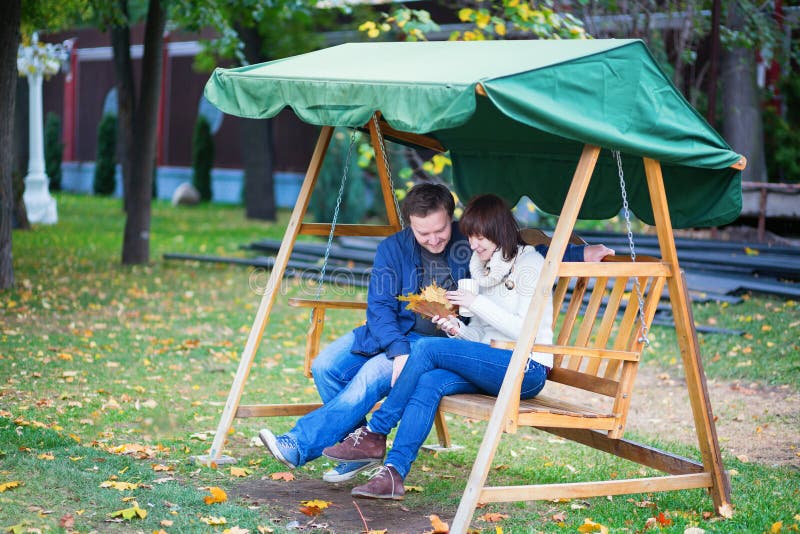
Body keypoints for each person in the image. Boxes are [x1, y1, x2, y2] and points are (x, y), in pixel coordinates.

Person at [259, 185, 612, 483]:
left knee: (369, 377)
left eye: (439, 230)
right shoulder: (392, 250)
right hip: (391, 334)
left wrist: (582, 251)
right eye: (422, 233)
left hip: (440, 343)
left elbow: (520, 248)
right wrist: (397, 350)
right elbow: (379, 308)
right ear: (410, 224)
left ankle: (300, 444)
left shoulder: (469, 240)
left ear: (451, 218)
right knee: (324, 366)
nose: (432, 239)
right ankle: (356, 446)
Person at [322, 194, 565, 500]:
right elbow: (480, 335)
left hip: (527, 367)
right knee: (429, 380)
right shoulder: (483, 268)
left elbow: (524, 330)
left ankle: (375, 433)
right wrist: (457, 329)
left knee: (427, 349)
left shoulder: (530, 263)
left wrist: (476, 303)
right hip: (492, 364)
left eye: (479, 237)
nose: (473, 245)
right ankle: (393, 474)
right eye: (471, 237)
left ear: (499, 230)